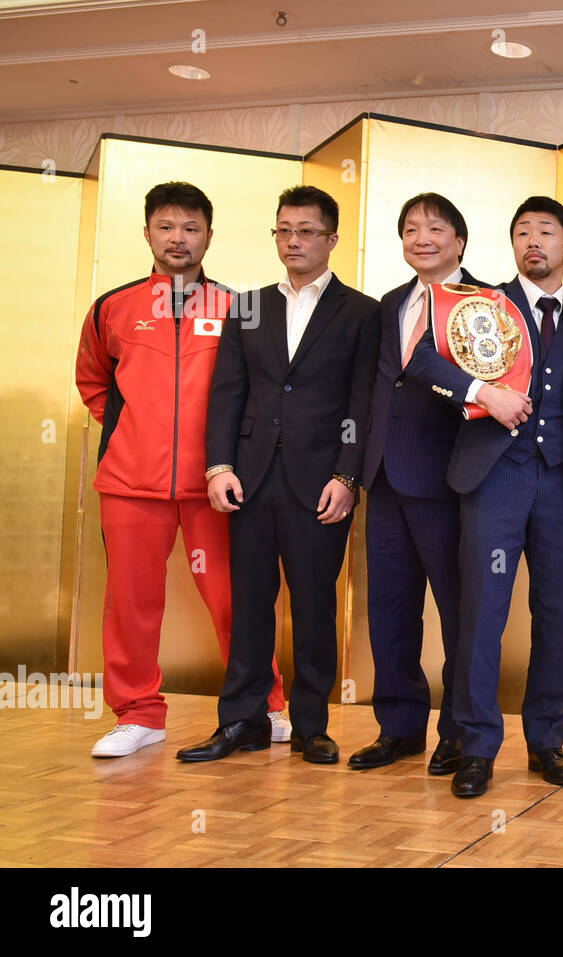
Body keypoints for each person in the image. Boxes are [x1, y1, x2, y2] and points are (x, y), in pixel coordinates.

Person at [75, 181, 288, 758]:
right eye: (166, 226)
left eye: (191, 228)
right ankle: (139, 714)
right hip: (130, 483)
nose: (178, 238)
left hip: (215, 484)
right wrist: (127, 430)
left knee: (235, 597)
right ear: (147, 233)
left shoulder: (240, 307)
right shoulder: (112, 307)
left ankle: (265, 704)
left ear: (209, 237)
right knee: (130, 601)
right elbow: (93, 380)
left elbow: (263, 388)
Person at [177, 185, 380, 765]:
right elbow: (227, 393)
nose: (293, 241)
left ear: (331, 239)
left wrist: (348, 476)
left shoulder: (363, 312)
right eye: (283, 230)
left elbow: (361, 403)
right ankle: (242, 720)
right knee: (248, 605)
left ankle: (311, 723)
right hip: (251, 477)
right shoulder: (248, 305)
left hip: (320, 483)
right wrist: (218, 465)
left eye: (307, 231)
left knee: (315, 605)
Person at [435, 196, 563, 798]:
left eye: (546, 232)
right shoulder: (481, 307)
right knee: (483, 613)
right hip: (495, 478)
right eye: (522, 232)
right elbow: (425, 361)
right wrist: (484, 388)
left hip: (562, 486)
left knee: (556, 616)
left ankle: (546, 741)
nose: (533, 241)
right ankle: (478, 746)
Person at [347, 193, 501, 774]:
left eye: (435, 229)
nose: (422, 238)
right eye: (410, 229)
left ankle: (460, 730)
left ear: (459, 241)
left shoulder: (485, 302)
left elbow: (492, 385)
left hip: (449, 480)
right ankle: (399, 726)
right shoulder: (389, 304)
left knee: (461, 612)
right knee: (390, 609)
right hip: (384, 477)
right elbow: (376, 388)